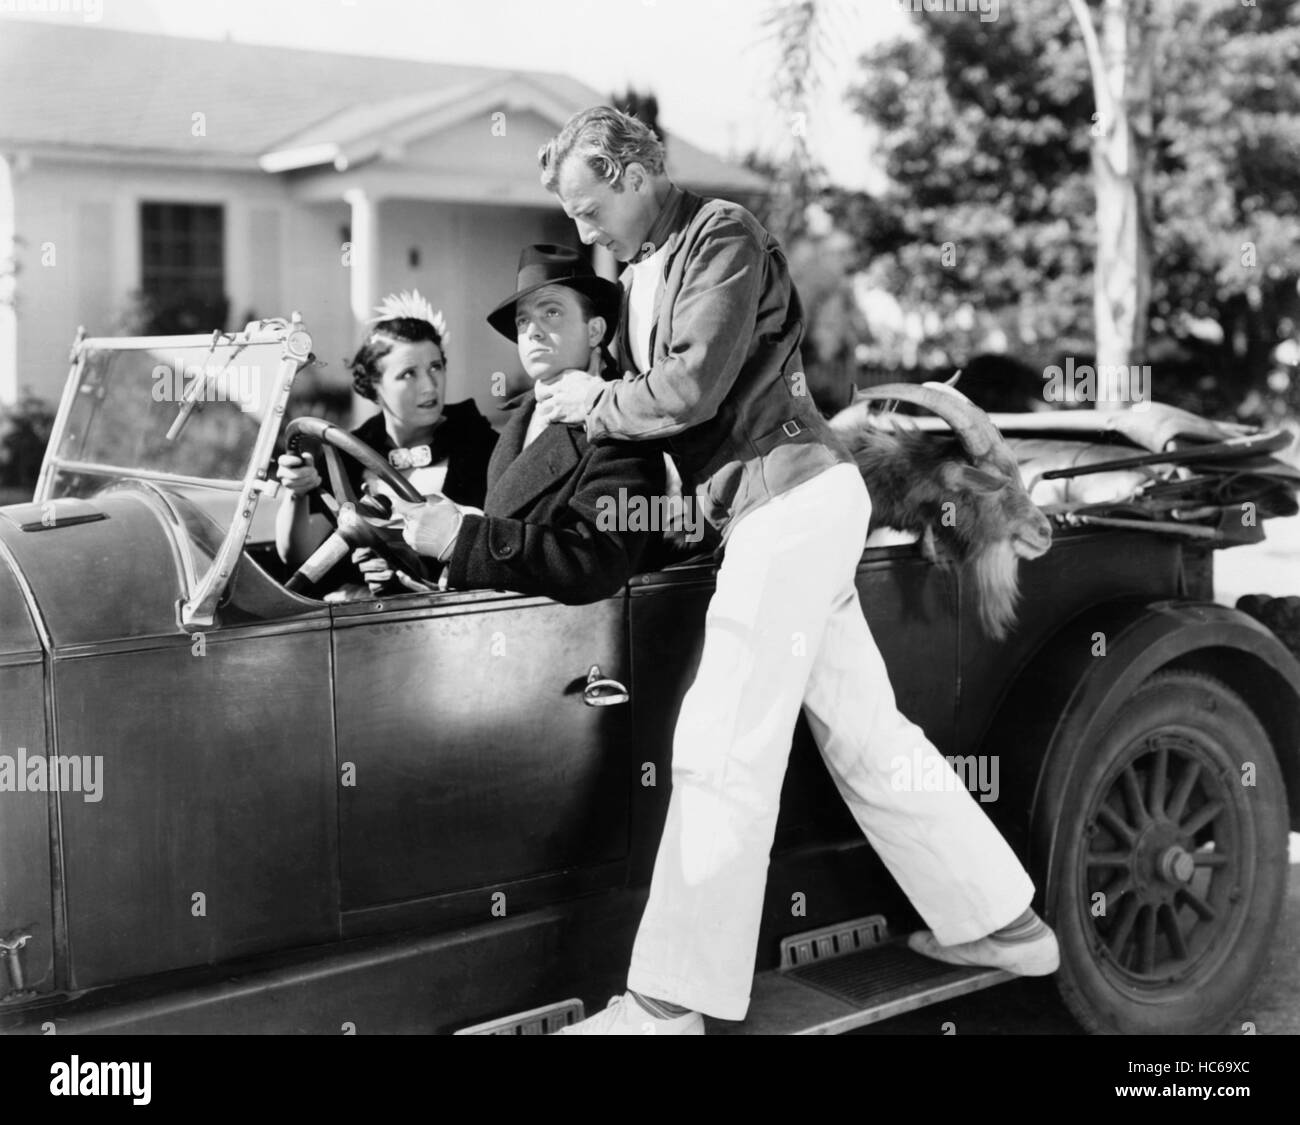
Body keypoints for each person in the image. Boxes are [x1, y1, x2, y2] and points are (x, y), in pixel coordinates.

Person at [532, 107, 1059, 1035]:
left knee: (721, 747)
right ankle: (1005, 925)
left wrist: (595, 400)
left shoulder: (722, 234)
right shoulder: (656, 260)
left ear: (630, 173)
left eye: (587, 210)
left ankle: (667, 1005)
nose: (585, 234)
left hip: (792, 506)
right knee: (865, 733)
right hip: (790, 512)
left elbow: (689, 389)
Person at [371, 244, 666, 606]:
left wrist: (460, 538)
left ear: (595, 331)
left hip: (574, 644)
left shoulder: (624, 430)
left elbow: (597, 562)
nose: (533, 332)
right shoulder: (521, 421)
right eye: (523, 321)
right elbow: (505, 527)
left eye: (552, 312)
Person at [274, 290, 497, 593]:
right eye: (408, 374)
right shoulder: (347, 454)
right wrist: (297, 493)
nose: (430, 386)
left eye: (436, 367)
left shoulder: (483, 447)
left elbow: (496, 554)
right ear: (374, 385)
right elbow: (300, 557)